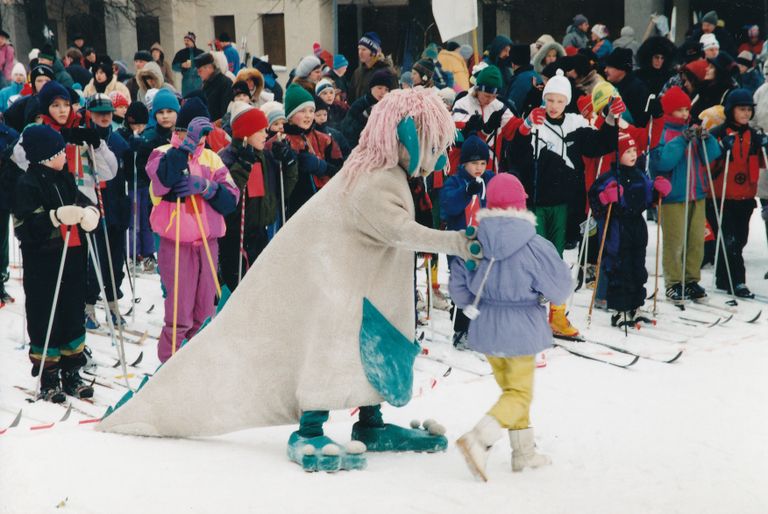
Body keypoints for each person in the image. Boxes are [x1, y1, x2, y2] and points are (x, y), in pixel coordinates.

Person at [98, 88, 481, 475]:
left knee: (365, 353)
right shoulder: (374, 180)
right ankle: (310, 430)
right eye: (429, 145)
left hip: (361, 291)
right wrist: (457, 242)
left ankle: (372, 422)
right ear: (405, 138)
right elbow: (396, 230)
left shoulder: (381, 173)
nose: (434, 158)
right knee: (329, 351)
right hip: (333, 292)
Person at [451, 173, 571, 481]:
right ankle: (478, 440)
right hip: (520, 328)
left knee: (510, 390)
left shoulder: (473, 240)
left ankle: (524, 453)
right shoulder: (535, 245)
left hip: (486, 328)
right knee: (519, 393)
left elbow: (460, 291)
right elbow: (560, 290)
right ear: (521, 206)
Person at [508, 69, 622, 337]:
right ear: (544, 100)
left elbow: (599, 144)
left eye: (560, 101)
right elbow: (515, 156)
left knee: (557, 261)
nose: (554, 106)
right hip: (536, 203)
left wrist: (610, 117)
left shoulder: (575, 124)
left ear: (567, 102)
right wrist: (524, 128)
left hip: (564, 205)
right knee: (533, 258)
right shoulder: (534, 121)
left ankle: (557, 316)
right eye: (550, 100)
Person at [12, 124, 100, 401]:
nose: (65, 155)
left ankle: (72, 370)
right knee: (45, 313)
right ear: (47, 156)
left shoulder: (66, 177)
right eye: (61, 152)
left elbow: (81, 200)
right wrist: (55, 216)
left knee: (72, 310)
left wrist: (89, 211)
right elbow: (25, 227)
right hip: (44, 263)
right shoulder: (27, 184)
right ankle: (48, 373)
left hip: (73, 257)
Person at [145, 107, 238, 363]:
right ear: (180, 131)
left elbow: (232, 198)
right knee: (180, 314)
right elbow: (161, 180)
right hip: (176, 244)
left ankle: (197, 366)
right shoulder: (162, 154)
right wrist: (183, 149)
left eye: (202, 133)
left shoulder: (212, 159)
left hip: (207, 243)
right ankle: (169, 368)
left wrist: (208, 187)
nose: (199, 139)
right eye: (193, 132)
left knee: (204, 312)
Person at [588, 132, 671, 327]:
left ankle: (635, 306)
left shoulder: (641, 175)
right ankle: (620, 309)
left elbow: (648, 198)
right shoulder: (609, 178)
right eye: (628, 151)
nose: (633, 154)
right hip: (617, 226)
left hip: (637, 226)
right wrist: (605, 198)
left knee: (638, 268)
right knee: (620, 268)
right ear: (617, 154)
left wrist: (659, 191)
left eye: (635, 150)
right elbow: (595, 201)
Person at [650, 86, 722, 302]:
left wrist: (706, 138)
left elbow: (712, 155)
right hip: (673, 196)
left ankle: (691, 279)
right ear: (669, 111)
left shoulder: (692, 128)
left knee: (696, 240)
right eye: (679, 110)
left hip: (696, 193)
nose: (684, 114)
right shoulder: (663, 131)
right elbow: (662, 162)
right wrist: (681, 140)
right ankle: (673, 282)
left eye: (686, 109)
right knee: (675, 240)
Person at [218, 103, 298, 291]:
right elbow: (226, 199)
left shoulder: (266, 158)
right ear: (246, 133)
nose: (265, 135)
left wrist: (289, 164)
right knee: (239, 288)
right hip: (235, 236)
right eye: (260, 131)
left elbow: (282, 193)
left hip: (261, 233)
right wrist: (242, 168)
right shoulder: (227, 159)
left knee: (260, 287)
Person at [80, 93, 131, 328]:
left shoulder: (119, 141)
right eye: (99, 113)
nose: (104, 117)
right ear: (90, 114)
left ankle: (112, 304)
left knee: (116, 261)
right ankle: (88, 306)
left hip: (116, 209)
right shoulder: (82, 139)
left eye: (108, 113)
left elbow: (127, 177)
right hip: (93, 208)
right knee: (95, 261)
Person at [440, 135, 494, 349]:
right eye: (474, 163)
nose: (479, 168)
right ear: (464, 163)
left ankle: (479, 327)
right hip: (460, 242)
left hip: (483, 241)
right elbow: (449, 205)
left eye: (482, 163)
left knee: (482, 285)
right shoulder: (455, 181)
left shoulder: (489, 179)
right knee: (463, 285)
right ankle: (461, 329)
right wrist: (465, 192)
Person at [708, 89, 762, 298]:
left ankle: (723, 276)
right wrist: (720, 148)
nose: (746, 113)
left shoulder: (754, 135)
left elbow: (760, 164)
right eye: (742, 109)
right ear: (731, 110)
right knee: (729, 240)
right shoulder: (718, 133)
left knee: (739, 239)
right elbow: (707, 164)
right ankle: (737, 281)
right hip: (722, 197)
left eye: (749, 109)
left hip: (745, 197)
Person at [269, 83, 343, 217]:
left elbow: (341, 172)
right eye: (302, 111)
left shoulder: (324, 139)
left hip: (322, 206)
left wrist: (322, 166)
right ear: (290, 115)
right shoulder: (278, 142)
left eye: (311, 111)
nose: (308, 116)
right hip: (292, 210)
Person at [451, 65, 521, 174]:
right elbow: (457, 136)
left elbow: (514, 128)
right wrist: (478, 128)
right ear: (478, 89)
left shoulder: (498, 106)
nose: (490, 100)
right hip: (462, 167)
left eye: (494, 96)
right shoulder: (462, 104)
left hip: (489, 168)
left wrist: (530, 122)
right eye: (487, 96)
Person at [341, 69, 396, 148]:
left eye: (386, 89)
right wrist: (364, 116)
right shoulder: (360, 104)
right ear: (371, 88)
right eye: (379, 88)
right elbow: (347, 130)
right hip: (358, 148)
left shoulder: (387, 106)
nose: (383, 92)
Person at [604, 48, 651, 127]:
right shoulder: (614, 84)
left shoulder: (637, 89)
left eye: (610, 66)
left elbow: (640, 122)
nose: (605, 70)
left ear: (622, 68)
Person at [349, 32, 395, 102]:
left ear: (374, 52)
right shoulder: (357, 72)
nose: (360, 52)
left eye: (364, 49)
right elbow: (351, 99)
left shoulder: (388, 72)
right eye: (359, 49)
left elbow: (394, 100)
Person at [194, 52, 233, 122]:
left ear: (209, 67)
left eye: (200, 71)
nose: (198, 74)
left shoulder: (225, 83)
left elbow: (226, 111)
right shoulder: (204, 85)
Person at [507, 44, 541, 116]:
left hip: (524, 123)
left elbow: (512, 109)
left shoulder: (519, 81)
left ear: (513, 63)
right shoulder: (536, 75)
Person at [172, 32, 204, 96]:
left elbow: (207, 65)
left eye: (188, 40)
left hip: (199, 82)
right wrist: (181, 65)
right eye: (185, 40)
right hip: (186, 84)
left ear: (193, 41)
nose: (186, 42)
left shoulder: (201, 53)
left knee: (200, 102)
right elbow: (173, 66)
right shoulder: (181, 53)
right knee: (187, 102)